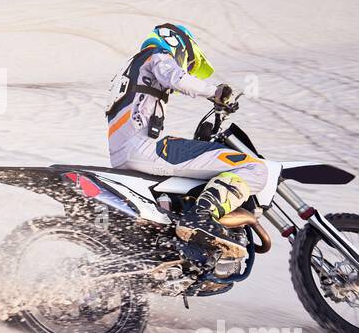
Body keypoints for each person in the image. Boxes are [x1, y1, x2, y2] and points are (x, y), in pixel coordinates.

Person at [105, 23, 269, 258]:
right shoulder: (155, 55)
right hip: (145, 148)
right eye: (190, 62)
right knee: (254, 167)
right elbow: (176, 77)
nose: (188, 67)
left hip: (125, 153)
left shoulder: (130, 70)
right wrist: (215, 92)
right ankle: (201, 217)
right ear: (176, 43)